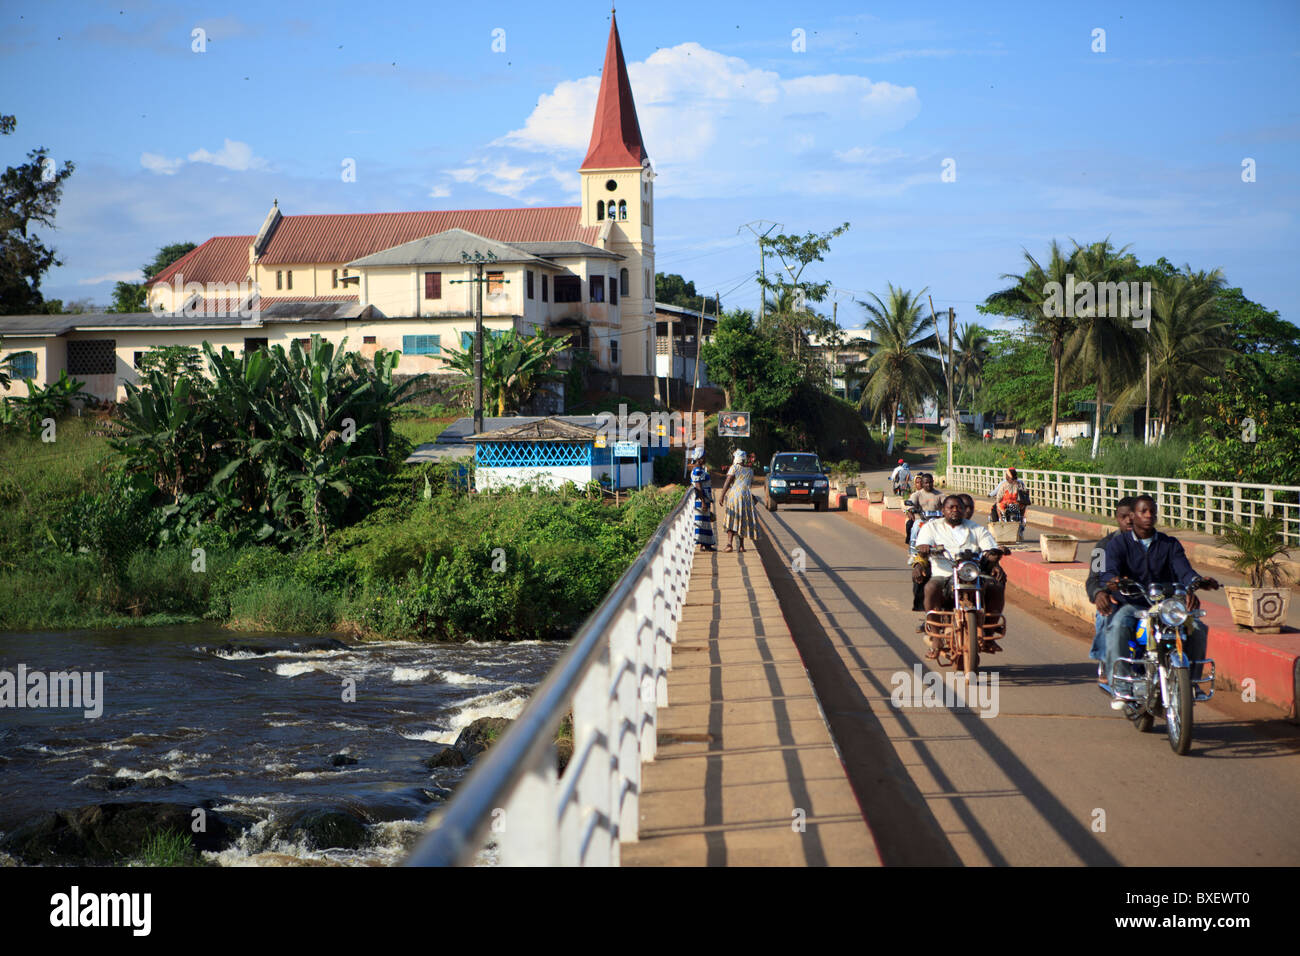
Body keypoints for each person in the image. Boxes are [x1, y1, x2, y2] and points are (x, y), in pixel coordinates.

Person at [1096, 494, 1220, 709]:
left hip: (1166, 605)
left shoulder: (1169, 544)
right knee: (1118, 625)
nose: (1149, 515)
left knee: (1198, 628)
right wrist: (1113, 581)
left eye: (1152, 511)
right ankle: (1122, 686)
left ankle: (1191, 683)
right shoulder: (1118, 544)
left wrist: (1196, 582)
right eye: (1143, 511)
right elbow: (1108, 572)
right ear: (1134, 516)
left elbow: (1184, 570)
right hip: (1133, 604)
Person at [916, 494, 1004, 644]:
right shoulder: (932, 527)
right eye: (951, 507)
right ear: (943, 510)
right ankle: (935, 635)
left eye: (959, 507)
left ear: (964, 511)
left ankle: (989, 631)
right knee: (930, 588)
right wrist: (924, 547)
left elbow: (989, 546)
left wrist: (994, 553)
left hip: (972, 574)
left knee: (996, 587)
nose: (955, 510)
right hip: (944, 575)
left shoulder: (976, 528)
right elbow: (922, 544)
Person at [1085, 496, 1136, 664]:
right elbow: (1093, 579)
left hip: (1147, 600)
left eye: (1132, 516)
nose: (1129, 521)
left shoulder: (1156, 543)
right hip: (1117, 599)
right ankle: (1105, 662)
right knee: (1106, 614)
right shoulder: (1103, 546)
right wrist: (1100, 593)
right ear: (1117, 518)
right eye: (1124, 517)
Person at [719, 448, 758, 553]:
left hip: (734, 496)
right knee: (742, 519)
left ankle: (729, 545)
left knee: (731, 518)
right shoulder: (750, 470)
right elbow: (749, 485)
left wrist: (722, 496)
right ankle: (741, 546)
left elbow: (727, 482)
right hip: (746, 497)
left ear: (736, 459)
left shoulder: (734, 468)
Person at [904, 473, 944, 546]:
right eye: (926, 483)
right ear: (922, 483)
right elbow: (911, 502)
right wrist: (910, 509)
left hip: (936, 520)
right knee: (915, 528)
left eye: (930, 482)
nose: (928, 485)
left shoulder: (939, 494)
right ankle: (913, 550)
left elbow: (947, 502)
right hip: (922, 520)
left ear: (933, 482)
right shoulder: (917, 494)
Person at [689, 447, 716, 552]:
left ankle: (705, 544)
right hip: (701, 501)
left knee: (704, 522)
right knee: (702, 522)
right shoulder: (697, 471)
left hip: (704, 499)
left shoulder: (699, 470)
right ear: (699, 459)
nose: (705, 459)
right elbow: (698, 487)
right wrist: (703, 502)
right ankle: (706, 545)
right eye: (704, 457)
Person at [989, 467, 1028, 531]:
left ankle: (998, 524)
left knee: (995, 508)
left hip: (1006, 504)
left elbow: (998, 495)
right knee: (1023, 507)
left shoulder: (1004, 484)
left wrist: (994, 498)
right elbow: (1025, 493)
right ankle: (1022, 520)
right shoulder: (1020, 483)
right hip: (1018, 505)